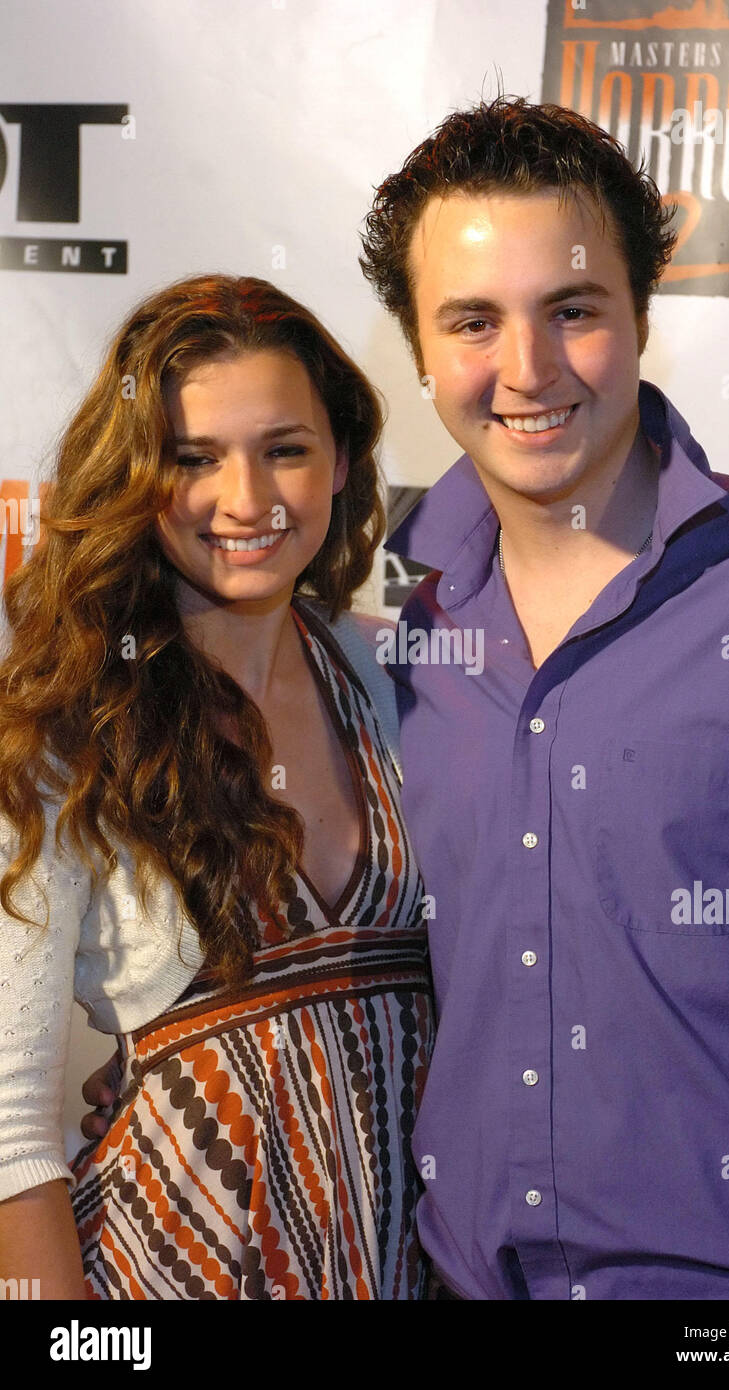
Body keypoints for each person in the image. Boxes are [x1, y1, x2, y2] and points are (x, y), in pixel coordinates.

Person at [354, 96, 729, 1299]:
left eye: (571, 311)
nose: (525, 371)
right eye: (473, 321)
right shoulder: (404, 650)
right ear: (419, 350)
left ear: (641, 315)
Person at [0, 273, 434, 1300]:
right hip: (166, 1276)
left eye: (285, 448)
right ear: (138, 478)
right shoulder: (65, 726)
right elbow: (9, 1113)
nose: (247, 500)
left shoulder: (399, 675)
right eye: (195, 459)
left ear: (340, 461)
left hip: (409, 1257)